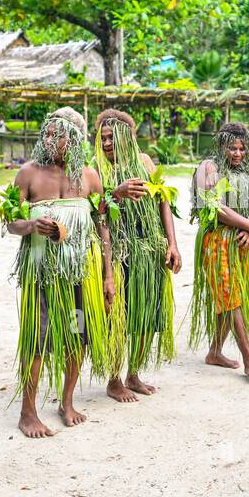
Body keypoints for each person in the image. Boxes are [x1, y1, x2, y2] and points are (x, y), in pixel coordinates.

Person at [0, 114, 117, 437]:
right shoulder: (29, 174)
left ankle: (67, 402)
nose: (51, 141)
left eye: (60, 136)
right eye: (48, 135)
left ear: (75, 139)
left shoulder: (90, 177)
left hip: (81, 275)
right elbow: (10, 223)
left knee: (77, 335)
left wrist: (107, 275)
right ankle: (28, 411)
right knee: (37, 340)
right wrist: (32, 226)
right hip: (41, 275)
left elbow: (102, 226)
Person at [94, 109, 181, 401]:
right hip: (118, 253)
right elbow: (97, 214)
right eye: (103, 138)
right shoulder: (96, 169)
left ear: (128, 137)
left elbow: (163, 201)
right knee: (118, 319)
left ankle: (134, 374)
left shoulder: (144, 162)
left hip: (150, 250)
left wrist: (172, 244)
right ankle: (114, 379)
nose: (106, 143)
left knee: (147, 316)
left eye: (112, 137)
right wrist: (115, 193)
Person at [190, 122, 249, 378]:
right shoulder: (209, 167)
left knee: (232, 297)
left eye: (242, 148)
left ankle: (215, 351)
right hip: (217, 241)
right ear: (221, 145)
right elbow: (215, 207)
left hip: (245, 242)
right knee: (230, 296)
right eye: (232, 148)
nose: (237, 153)